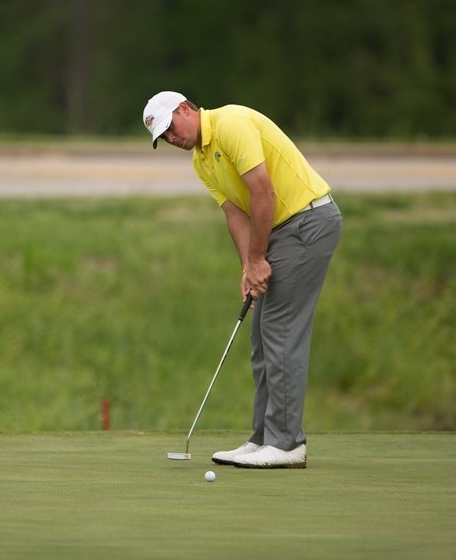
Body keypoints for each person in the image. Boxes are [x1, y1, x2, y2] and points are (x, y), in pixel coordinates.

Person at [142, 91, 342, 469]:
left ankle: (287, 443)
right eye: (163, 138)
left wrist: (257, 257)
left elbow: (262, 192)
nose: (172, 139)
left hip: (307, 222)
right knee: (261, 334)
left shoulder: (230, 124)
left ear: (186, 109)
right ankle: (264, 438)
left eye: (171, 128)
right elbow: (236, 215)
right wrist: (248, 269)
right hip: (281, 230)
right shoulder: (201, 161)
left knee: (280, 329)